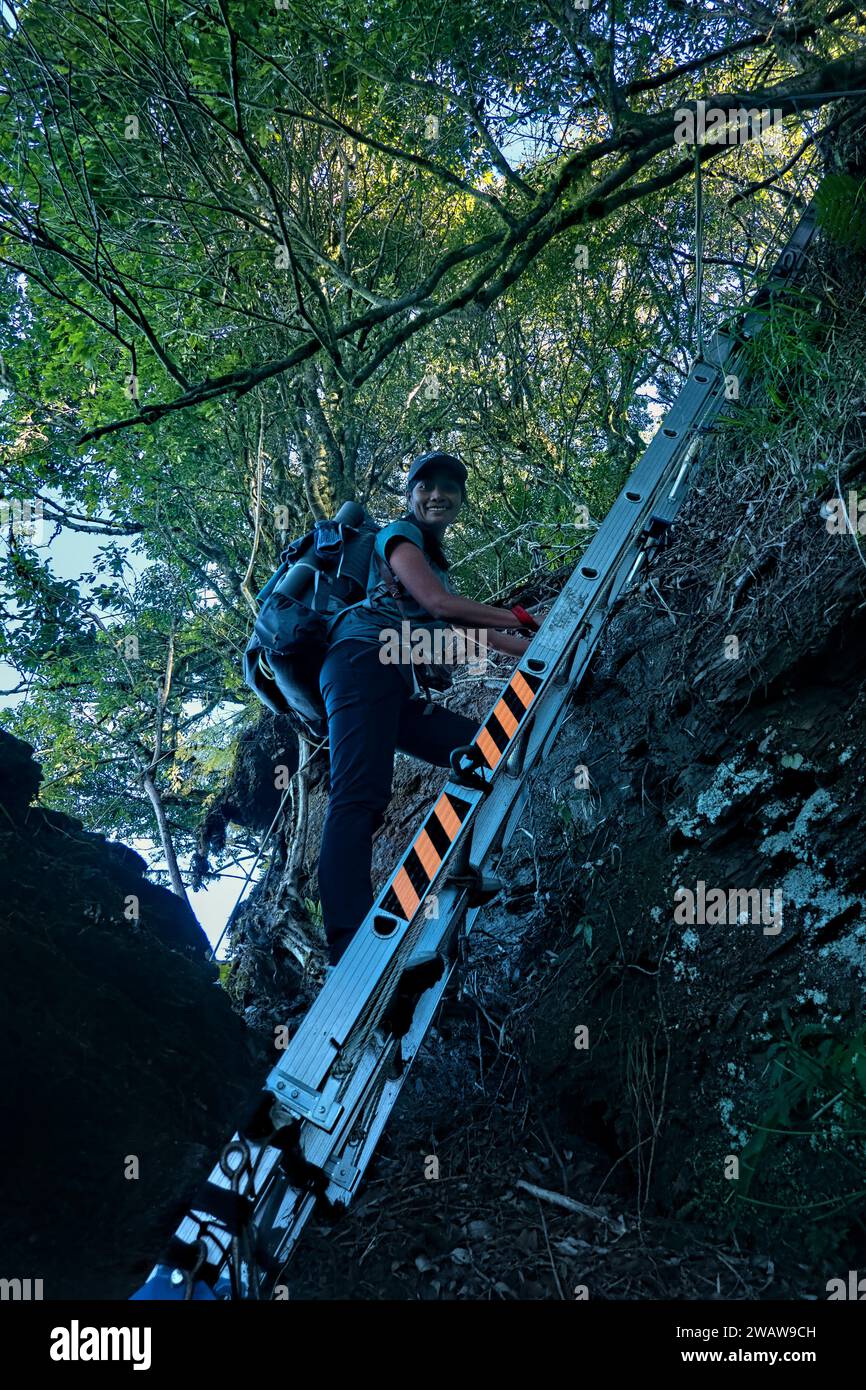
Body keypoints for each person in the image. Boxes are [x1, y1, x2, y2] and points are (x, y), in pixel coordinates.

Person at [317, 450, 538, 968]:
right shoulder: (399, 535)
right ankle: (347, 944)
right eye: (426, 485)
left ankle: (463, 868)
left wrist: (537, 644)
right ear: (411, 495)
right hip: (359, 663)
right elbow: (441, 607)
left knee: (481, 749)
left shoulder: (434, 559)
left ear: (459, 501)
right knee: (359, 795)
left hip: (391, 685)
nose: (438, 494)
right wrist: (523, 616)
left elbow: (466, 627)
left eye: (449, 488)